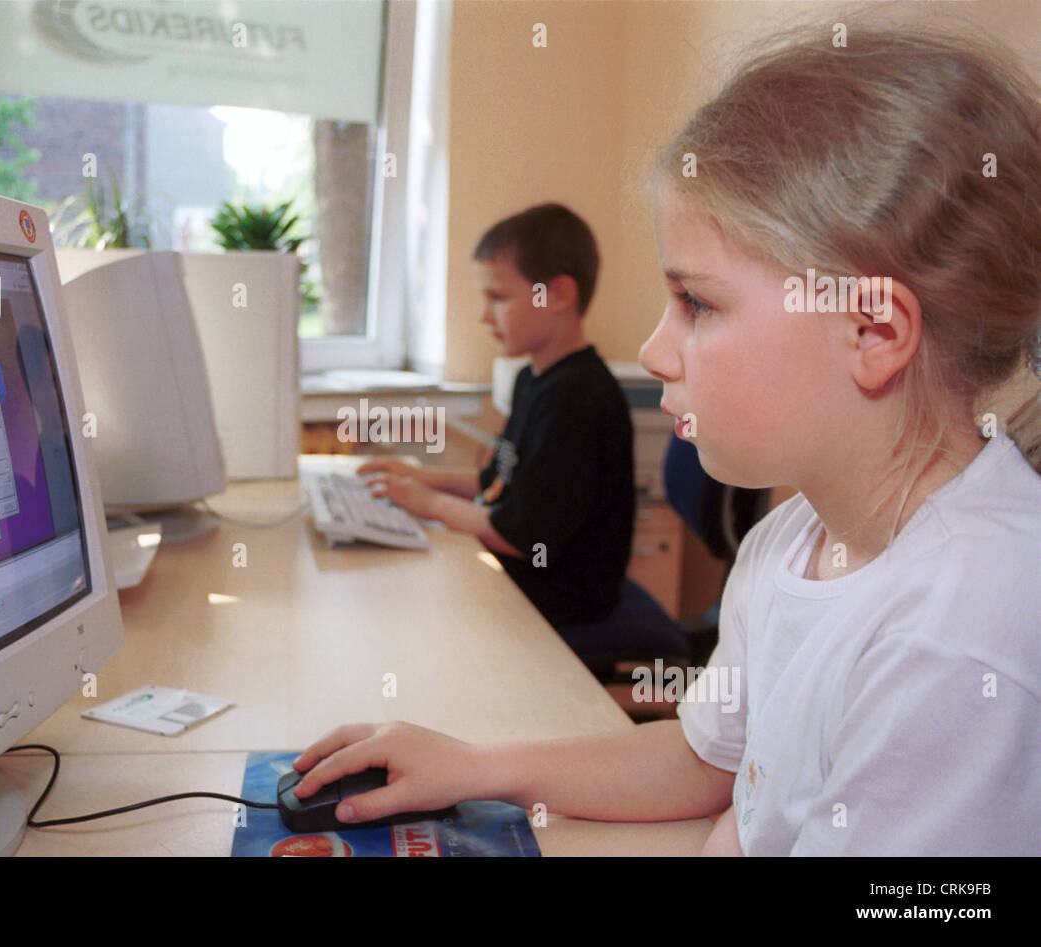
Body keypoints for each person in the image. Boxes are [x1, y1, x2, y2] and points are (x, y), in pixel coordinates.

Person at [290, 25, 1041, 855]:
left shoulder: (961, 627)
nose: (651, 351)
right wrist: (473, 767)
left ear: (871, 329)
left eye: (698, 304)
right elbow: (703, 761)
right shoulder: (791, 539)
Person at [360, 203, 637, 629]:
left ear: (559, 294)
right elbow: (501, 482)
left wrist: (428, 503)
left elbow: (520, 535)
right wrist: (421, 477)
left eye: (498, 297)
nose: (484, 316)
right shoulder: (533, 378)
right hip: (528, 578)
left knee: (412, 606)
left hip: (564, 601)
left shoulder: (577, 398)